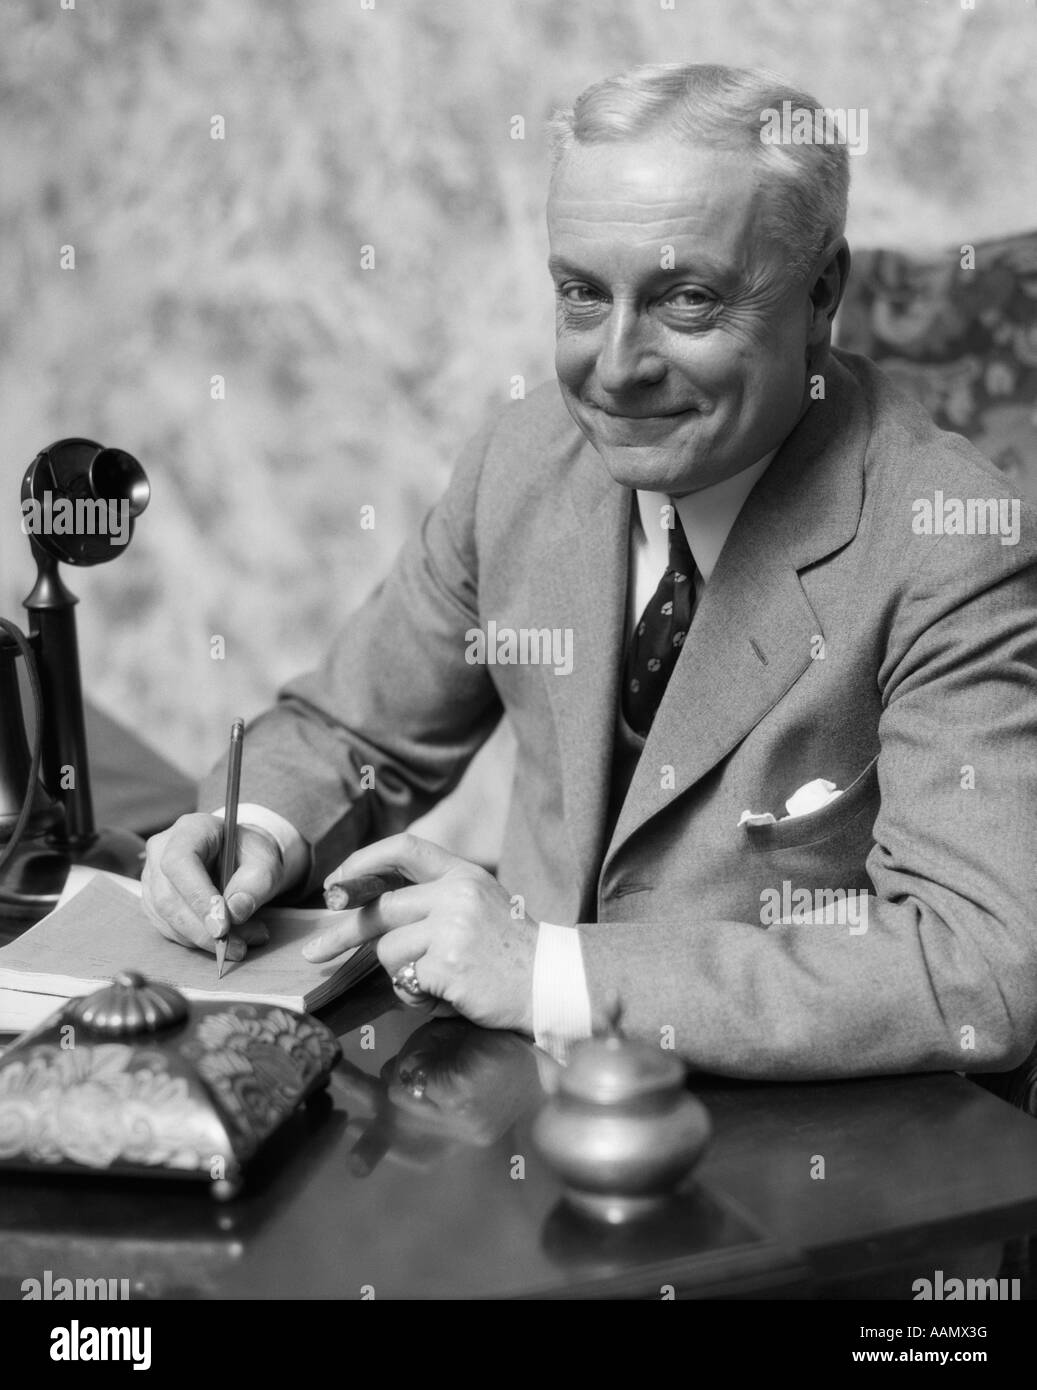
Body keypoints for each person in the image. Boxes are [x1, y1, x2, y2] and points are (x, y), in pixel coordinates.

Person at [142, 63, 1037, 1079]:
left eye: (685, 299)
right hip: (517, 1114)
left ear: (819, 294)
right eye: (580, 295)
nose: (613, 366)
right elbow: (353, 729)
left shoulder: (949, 540)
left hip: (802, 1164)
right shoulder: (523, 459)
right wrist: (252, 829)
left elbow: (978, 967)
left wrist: (549, 972)